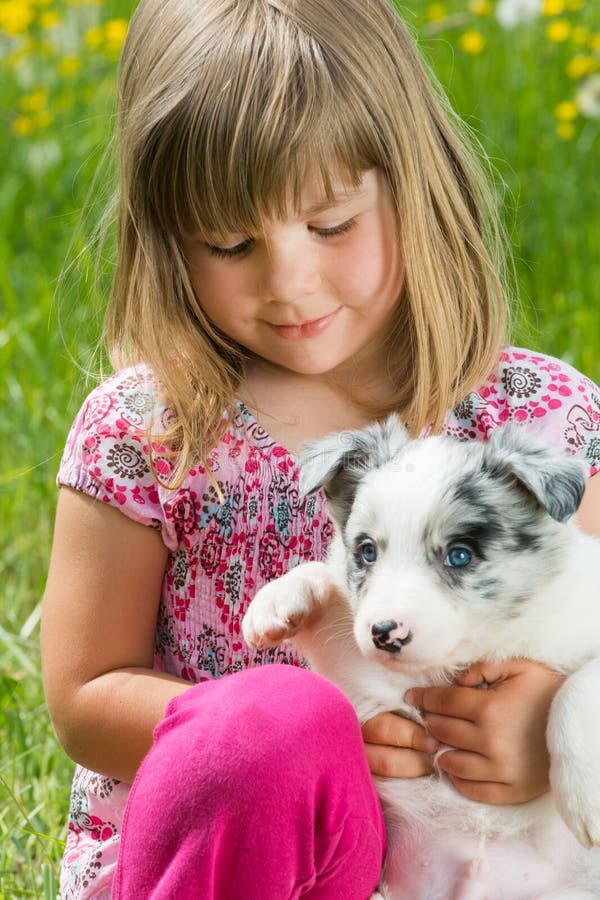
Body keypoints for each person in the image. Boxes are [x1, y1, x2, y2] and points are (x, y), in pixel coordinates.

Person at [41, 0, 600, 897]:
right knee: (284, 721)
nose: (288, 283)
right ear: (166, 237)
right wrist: (309, 733)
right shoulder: (147, 431)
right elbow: (84, 698)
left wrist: (553, 725)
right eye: (229, 241)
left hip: (500, 862)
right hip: (238, 858)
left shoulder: (539, 415)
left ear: (413, 186)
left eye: (332, 225)